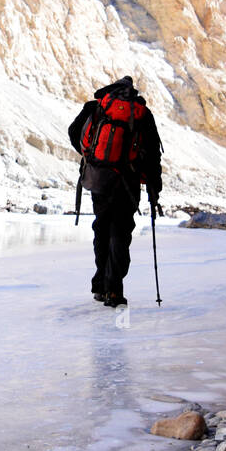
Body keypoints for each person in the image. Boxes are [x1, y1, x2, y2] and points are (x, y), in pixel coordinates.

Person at [68, 76, 162, 307]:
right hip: (127, 182)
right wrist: (154, 190)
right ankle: (114, 290)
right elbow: (152, 155)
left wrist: (91, 158)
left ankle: (100, 285)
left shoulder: (97, 107)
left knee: (102, 228)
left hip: (99, 178)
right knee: (120, 233)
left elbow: (73, 133)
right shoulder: (142, 113)